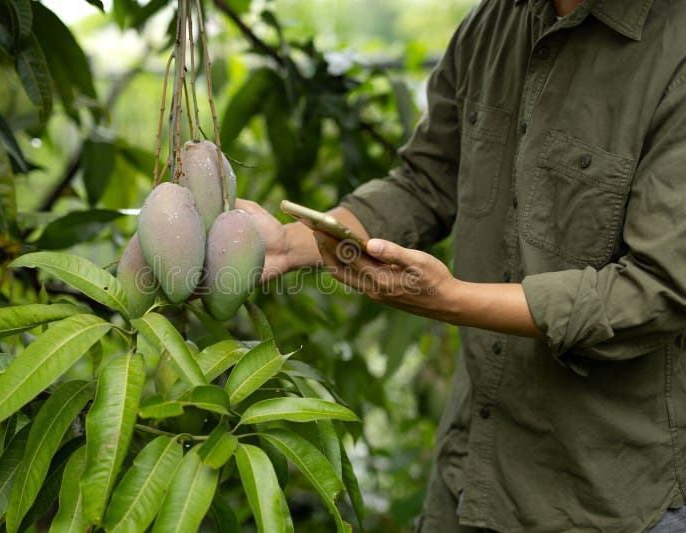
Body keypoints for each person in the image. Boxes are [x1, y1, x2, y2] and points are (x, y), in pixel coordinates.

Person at [237, 0, 686, 531]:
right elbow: (428, 180)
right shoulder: (492, 24)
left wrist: (450, 301)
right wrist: (292, 244)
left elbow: (657, 288)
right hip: (470, 471)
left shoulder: (672, 52)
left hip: (603, 494)